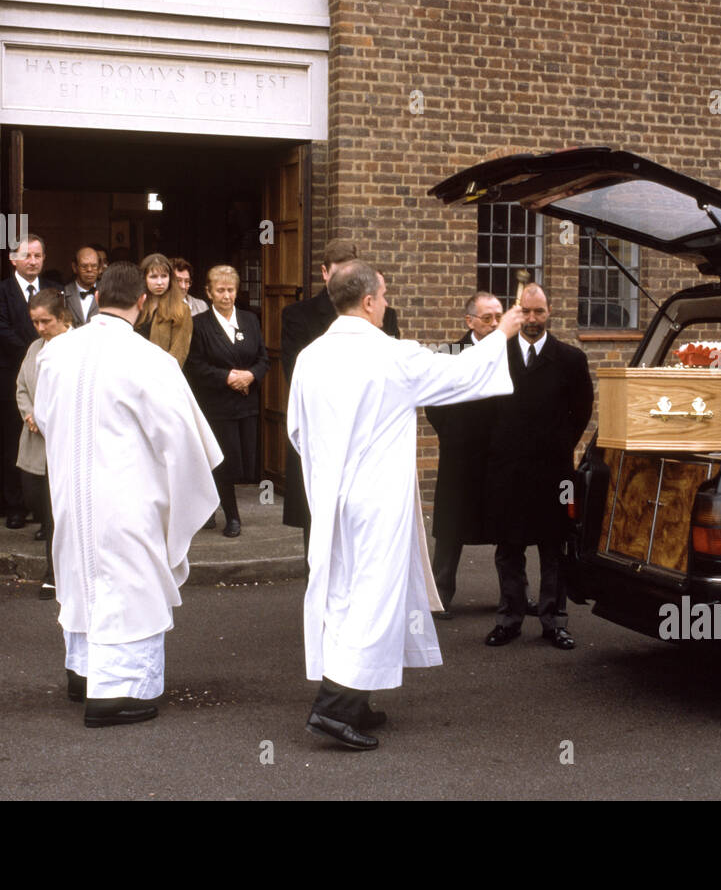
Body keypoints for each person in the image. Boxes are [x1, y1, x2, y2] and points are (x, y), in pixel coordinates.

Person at [288, 260, 525, 750]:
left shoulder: (311, 356)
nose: (388, 303)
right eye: (386, 295)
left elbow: (296, 429)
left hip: (332, 497)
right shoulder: (391, 355)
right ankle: (333, 708)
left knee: (347, 593)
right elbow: (460, 373)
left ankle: (356, 700)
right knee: (374, 595)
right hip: (377, 497)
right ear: (369, 301)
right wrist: (502, 332)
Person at [34, 262, 223, 728]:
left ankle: (83, 673)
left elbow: (45, 416)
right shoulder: (150, 361)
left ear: (96, 296)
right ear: (142, 304)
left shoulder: (55, 353)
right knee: (126, 587)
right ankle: (114, 695)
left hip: (72, 495)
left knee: (81, 578)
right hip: (125, 496)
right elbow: (181, 440)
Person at [483, 284, 593, 651]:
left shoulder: (571, 359)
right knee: (508, 550)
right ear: (518, 311)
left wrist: (559, 444)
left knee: (555, 549)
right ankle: (508, 619)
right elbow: (484, 412)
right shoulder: (497, 354)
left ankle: (554, 622)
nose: (532, 320)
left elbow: (582, 412)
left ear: (550, 312)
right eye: (526, 312)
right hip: (508, 470)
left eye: (539, 312)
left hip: (554, 473)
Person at [281, 240, 400, 555]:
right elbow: (296, 376)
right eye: (338, 273)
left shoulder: (385, 315)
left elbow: (391, 377)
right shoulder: (298, 315)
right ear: (324, 273)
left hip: (366, 439)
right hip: (322, 434)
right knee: (319, 541)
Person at [425, 291, 504, 619]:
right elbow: (433, 403)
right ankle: (440, 594)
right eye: (487, 318)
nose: (494, 324)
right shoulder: (450, 353)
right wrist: (453, 436)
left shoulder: (510, 351)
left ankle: (515, 596)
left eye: (498, 317)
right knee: (450, 527)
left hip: (500, 453)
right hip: (460, 455)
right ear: (469, 320)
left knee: (507, 526)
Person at [184, 264, 269, 538]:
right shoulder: (200, 325)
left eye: (230, 290)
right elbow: (195, 365)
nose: (226, 296)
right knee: (225, 462)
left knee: (246, 463)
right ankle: (232, 517)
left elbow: (263, 359)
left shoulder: (250, 320)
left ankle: (212, 503)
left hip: (247, 403)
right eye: (220, 290)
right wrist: (227, 377)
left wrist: (250, 376)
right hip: (217, 405)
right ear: (209, 292)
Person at [0, 234, 59, 528]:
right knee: (14, 444)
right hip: (15, 381)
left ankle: (46, 512)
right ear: (13, 259)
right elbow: (2, 331)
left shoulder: (55, 291)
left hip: (52, 381)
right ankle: (15, 506)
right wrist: (37, 351)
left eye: (38, 255)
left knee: (49, 447)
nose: (33, 261)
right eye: (27, 255)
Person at [15, 288, 73, 600]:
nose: (39, 328)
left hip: (66, 443)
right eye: (35, 322)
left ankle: (55, 575)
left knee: (59, 513)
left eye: (45, 321)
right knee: (37, 501)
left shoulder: (78, 347)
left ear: (62, 317)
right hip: (37, 442)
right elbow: (22, 386)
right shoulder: (35, 348)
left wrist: (52, 417)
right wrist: (29, 414)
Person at [135, 252, 193, 367]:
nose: (160, 282)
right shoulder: (134, 305)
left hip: (163, 374)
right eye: (153, 277)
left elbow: (179, 352)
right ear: (144, 278)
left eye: (164, 276)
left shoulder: (182, 309)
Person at [62, 245, 101, 327]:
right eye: (84, 266)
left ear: (99, 268)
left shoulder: (108, 293)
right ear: (74, 267)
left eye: (94, 266)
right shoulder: (63, 293)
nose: (89, 270)